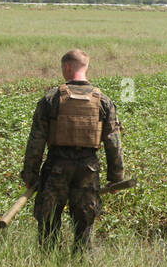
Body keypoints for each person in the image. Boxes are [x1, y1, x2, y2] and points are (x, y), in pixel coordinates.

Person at [21, 49, 125, 251]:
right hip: (88, 169)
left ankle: (47, 265)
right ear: (86, 67)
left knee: (49, 223)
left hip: (56, 168)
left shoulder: (51, 99)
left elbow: (36, 141)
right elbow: (113, 142)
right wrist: (116, 176)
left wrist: (30, 174)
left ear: (67, 67)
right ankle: (80, 264)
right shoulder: (103, 100)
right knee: (84, 223)